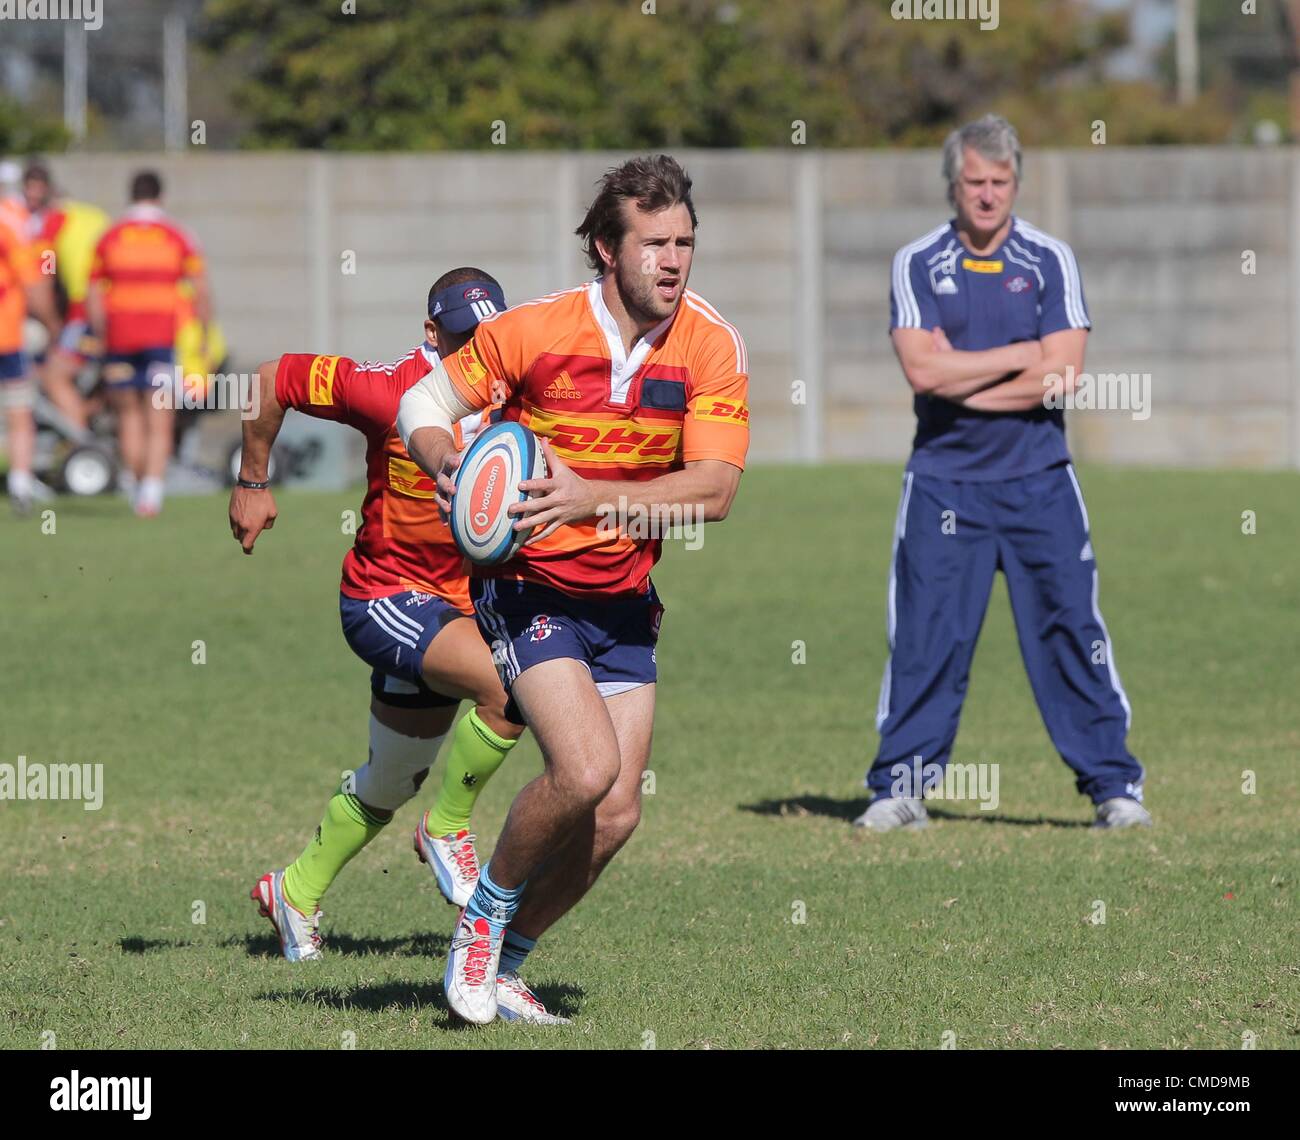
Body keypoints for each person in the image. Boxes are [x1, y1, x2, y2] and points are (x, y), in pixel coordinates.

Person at [398, 154, 750, 1025]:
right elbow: (423, 406)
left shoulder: (712, 344)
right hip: (529, 586)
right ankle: (484, 915)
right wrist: (453, 466)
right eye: (654, 244)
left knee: (620, 810)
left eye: (685, 244)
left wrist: (597, 497)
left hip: (624, 599)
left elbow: (714, 491)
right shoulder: (534, 330)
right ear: (605, 248)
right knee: (586, 769)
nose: (673, 261)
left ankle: (506, 963)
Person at [231, 270, 561, 1024]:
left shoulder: (517, 398)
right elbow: (272, 378)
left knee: (390, 779)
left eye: (489, 338)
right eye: (461, 339)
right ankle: (447, 829)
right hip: (382, 602)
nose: (477, 352)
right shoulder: (391, 391)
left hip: (455, 612)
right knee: (514, 687)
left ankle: (294, 892)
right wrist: (252, 479)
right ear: (430, 334)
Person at [857, 114, 1148, 832]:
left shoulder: (1050, 260)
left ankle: (1115, 788)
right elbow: (922, 371)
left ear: (1017, 182)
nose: (988, 195)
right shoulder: (917, 262)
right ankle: (900, 789)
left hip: (1040, 481)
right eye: (974, 182)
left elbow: (1064, 377)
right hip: (942, 484)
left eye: (1000, 181)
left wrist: (965, 374)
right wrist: (1022, 354)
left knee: (1070, 630)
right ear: (952, 186)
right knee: (926, 637)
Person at [87, 170, 211, 517]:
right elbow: (200, 289)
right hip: (160, 339)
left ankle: (135, 484)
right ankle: (151, 495)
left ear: (131, 195)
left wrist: (101, 336)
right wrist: (202, 336)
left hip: (120, 338)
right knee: (159, 418)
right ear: (160, 196)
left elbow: (95, 293)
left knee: (128, 415)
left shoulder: (109, 236)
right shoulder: (177, 235)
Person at [23, 161, 110, 431]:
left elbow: (42, 282)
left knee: (53, 377)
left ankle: (81, 447)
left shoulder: (52, 224)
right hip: (121, 311)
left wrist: (53, 327)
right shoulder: (94, 215)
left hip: (86, 313)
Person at [0, 174, 61, 515]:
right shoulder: (12, 220)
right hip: (6, 333)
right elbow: (32, 282)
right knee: (19, 409)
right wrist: (53, 325)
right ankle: (20, 483)